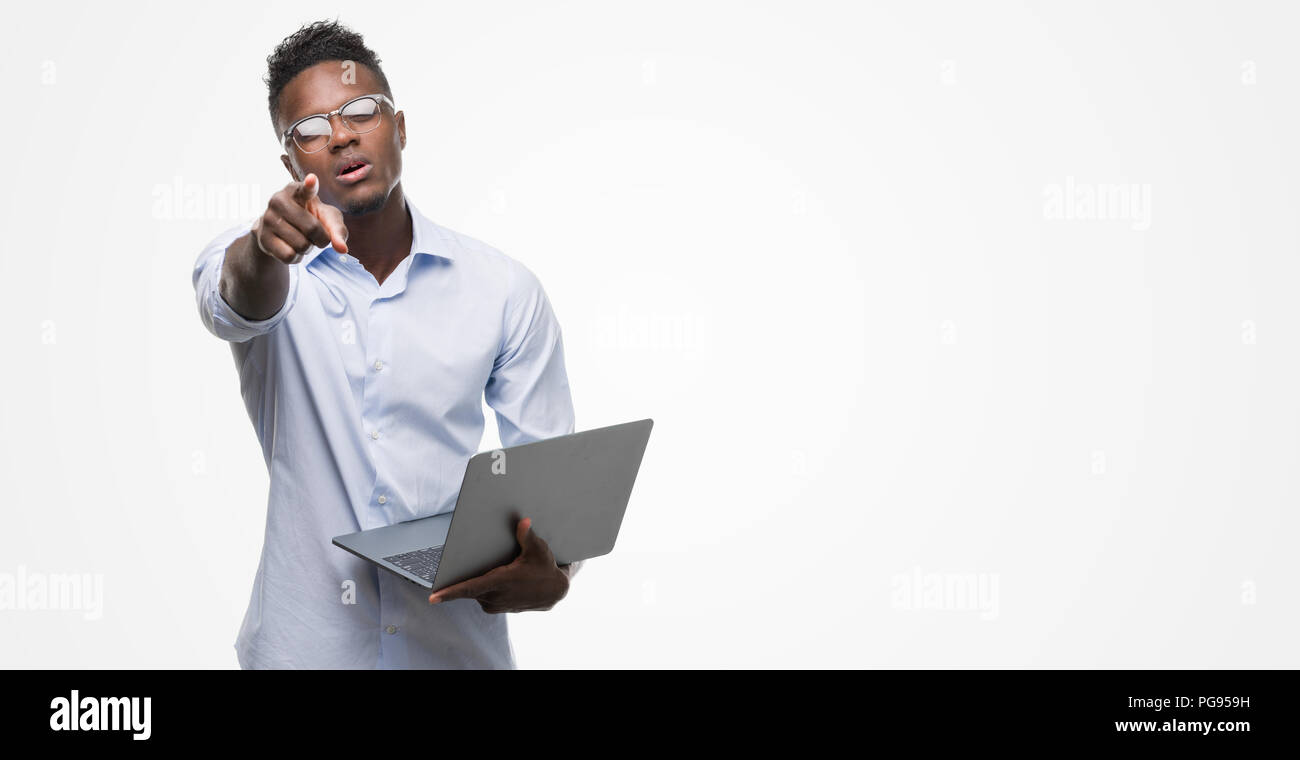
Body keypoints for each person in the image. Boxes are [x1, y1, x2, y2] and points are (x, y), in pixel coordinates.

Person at [191, 19, 580, 668]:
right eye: (309, 130)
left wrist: (557, 570)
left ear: (399, 128)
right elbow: (234, 298)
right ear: (292, 165)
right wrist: (263, 247)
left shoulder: (502, 288)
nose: (340, 134)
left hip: (455, 653)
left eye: (360, 112)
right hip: (304, 651)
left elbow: (553, 493)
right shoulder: (261, 262)